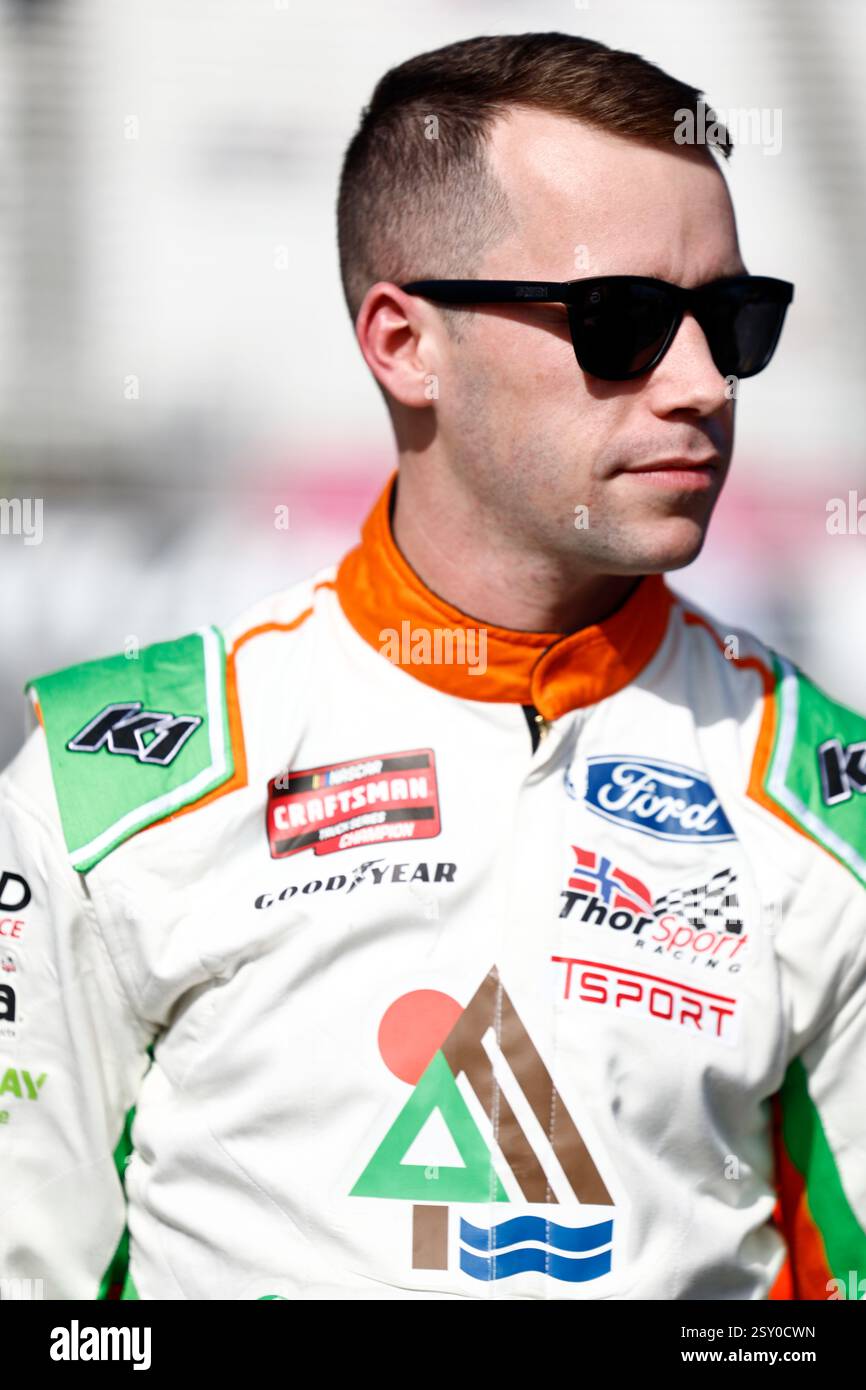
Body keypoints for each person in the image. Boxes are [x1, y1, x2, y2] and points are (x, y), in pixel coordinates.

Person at [1, 30, 863, 1302]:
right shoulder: (104, 775)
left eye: (732, 320)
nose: (699, 385)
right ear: (403, 343)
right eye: (620, 320)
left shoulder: (825, 793)